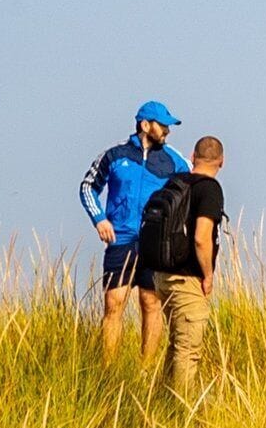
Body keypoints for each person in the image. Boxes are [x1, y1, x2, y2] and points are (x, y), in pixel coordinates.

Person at [79, 102, 187, 363]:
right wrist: (100, 220)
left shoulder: (175, 160)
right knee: (113, 305)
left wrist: (174, 230)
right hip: (121, 239)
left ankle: (146, 370)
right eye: (163, 126)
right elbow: (87, 187)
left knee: (151, 304)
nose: (167, 131)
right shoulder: (115, 155)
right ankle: (109, 369)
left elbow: (192, 191)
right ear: (145, 125)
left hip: (155, 243)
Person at [143, 134, 230, 393]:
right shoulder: (210, 189)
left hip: (162, 276)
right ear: (221, 162)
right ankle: (181, 408)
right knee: (189, 349)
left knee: (175, 344)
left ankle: (162, 400)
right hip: (187, 279)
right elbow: (202, 238)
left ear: (193, 157)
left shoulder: (176, 182)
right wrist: (208, 275)